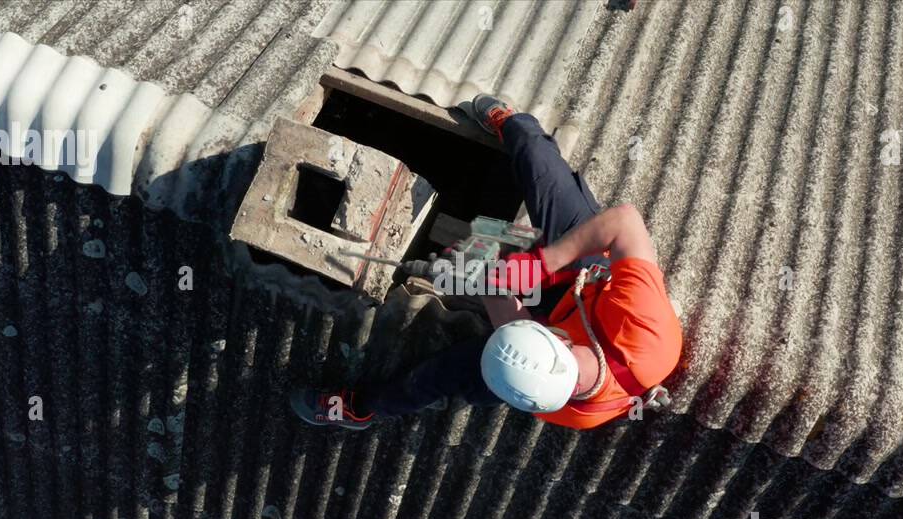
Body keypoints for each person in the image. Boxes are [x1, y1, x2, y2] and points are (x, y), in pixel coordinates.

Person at [290, 94, 683, 431]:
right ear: (552, 339)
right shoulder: (646, 330)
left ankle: (362, 409)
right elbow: (625, 220)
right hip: (594, 282)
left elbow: (501, 301)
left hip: (562, 316)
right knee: (541, 165)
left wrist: (491, 278)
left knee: (442, 375)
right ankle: (509, 123)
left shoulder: (559, 404)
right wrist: (545, 262)